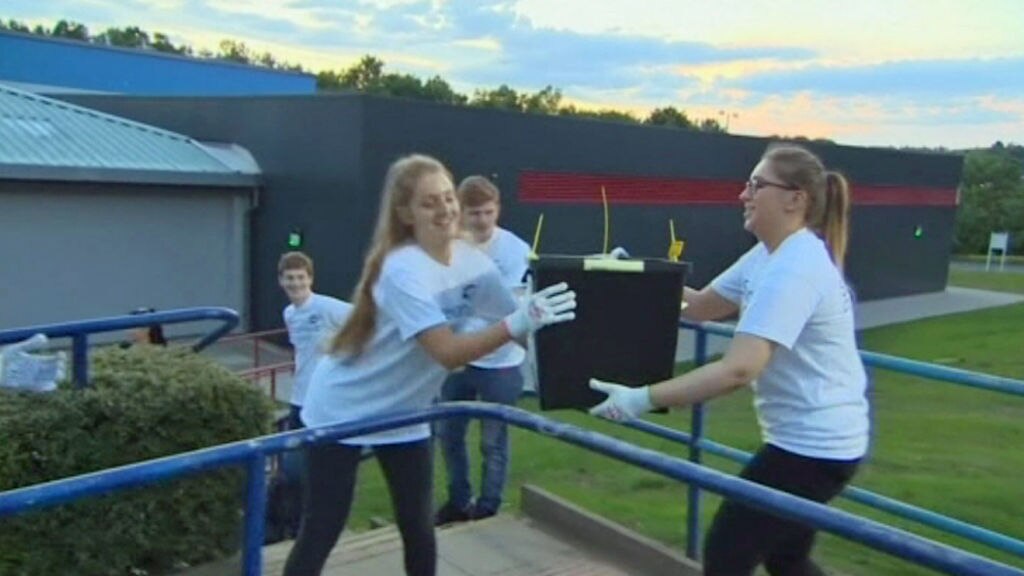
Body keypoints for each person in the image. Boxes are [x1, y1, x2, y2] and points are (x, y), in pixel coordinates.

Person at [283, 154, 576, 576]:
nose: (445, 210)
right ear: (405, 213)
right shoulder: (401, 269)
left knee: (418, 525)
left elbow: (512, 313)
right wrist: (518, 322)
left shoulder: (472, 261)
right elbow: (448, 352)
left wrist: (594, 278)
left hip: (406, 411)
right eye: (428, 203)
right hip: (343, 407)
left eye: (447, 198)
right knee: (324, 525)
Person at [589, 143, 868, 576]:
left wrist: (641, 398)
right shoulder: (769, 255)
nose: (743, 195)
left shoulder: (794, 268)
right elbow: (701, 306)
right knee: (786, 557)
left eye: (756, 185)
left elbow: (739, 368)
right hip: (816, 439)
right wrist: (635, 275)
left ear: (795, 199)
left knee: (726, 554)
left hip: (816, 446)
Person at [435, 175, 533, 525]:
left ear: (498, 209)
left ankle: (488, 506)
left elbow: (515, 306)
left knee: (493, 439)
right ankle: (458, 501)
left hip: (501, 360)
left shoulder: (516, 250)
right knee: (449, 434)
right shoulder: (449, 248)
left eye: (488, 212)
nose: (481, 220)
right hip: (458, 356)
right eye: (474, 213)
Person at [276, 251, 353, 539]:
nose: (295, 283)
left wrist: (338, 346)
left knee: (327, 469)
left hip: (328, 403)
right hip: (299, 399)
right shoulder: (290, 314)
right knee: (293, 469)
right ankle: (297, 528)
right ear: (281, 281)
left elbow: (366, 324)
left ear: (310, 279)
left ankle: (329, 525)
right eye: (289, 278)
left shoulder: (328, 308)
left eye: (300, 278)